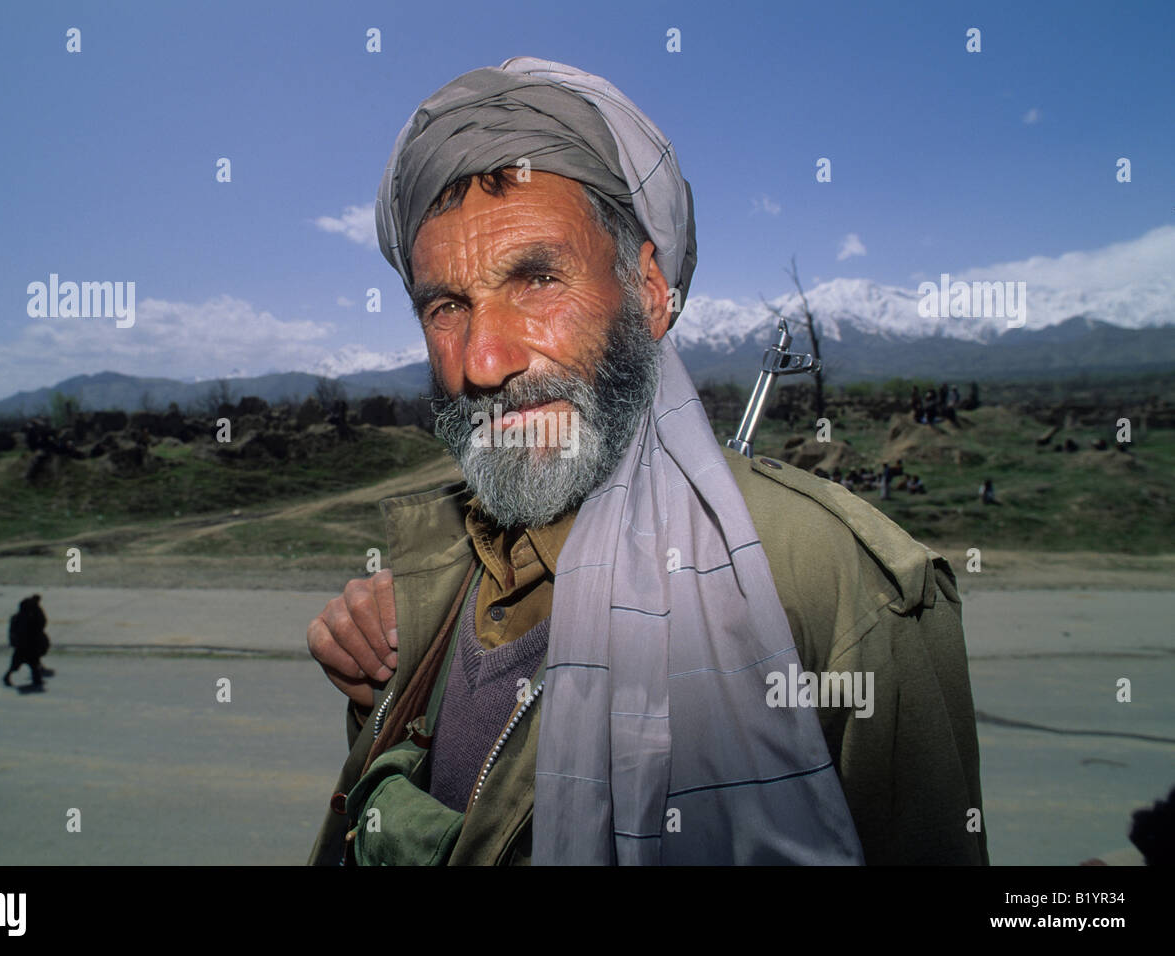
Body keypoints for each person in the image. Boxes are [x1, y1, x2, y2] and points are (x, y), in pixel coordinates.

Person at [307, 57, 986, 866]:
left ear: (650, 288)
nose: (482, 361)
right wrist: (385, 693)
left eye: (536, 278)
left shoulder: (830, 585)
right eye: (447, 307)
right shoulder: (444, 570)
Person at [4, 596, 52, 686]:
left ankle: (8, 676)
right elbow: (42, 623)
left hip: (22, 646)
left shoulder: (16, 617)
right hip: (29, 646)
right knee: (32, 663)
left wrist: (13, 642)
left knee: (19, 664)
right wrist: (38, 607)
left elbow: (12, 632)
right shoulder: (29, 619)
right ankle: (36, 679)